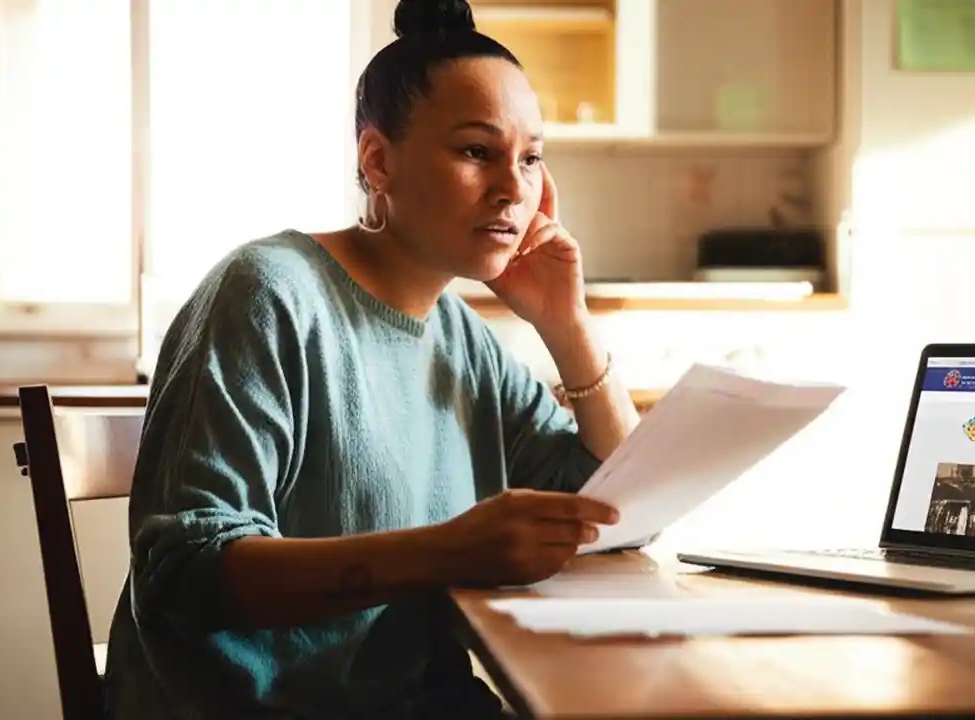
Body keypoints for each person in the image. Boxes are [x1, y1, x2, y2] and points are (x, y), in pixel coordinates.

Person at [103, 0, 641, 716]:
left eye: (532, 157)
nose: (515, 188)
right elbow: (184, 576)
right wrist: (446, 551)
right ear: (378, 160)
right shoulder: (268, 294)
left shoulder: (464, 338)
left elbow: (621, 508)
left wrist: (568, 325)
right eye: (477, 151)